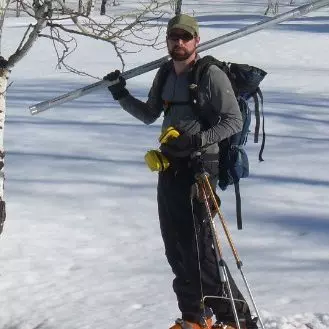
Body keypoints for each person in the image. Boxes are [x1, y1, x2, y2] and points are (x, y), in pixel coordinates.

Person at [104, 14, 258, 329]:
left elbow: (233, 121)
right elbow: (149, 114)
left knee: (199, 251)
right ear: (167, 40)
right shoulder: (164, 73)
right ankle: (194, 318)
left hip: (200, 169)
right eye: (174, 37)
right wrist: (121, 94)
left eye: (185, 37)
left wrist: (196, 139)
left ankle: (237, 321)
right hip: (170, 166)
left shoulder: (210, 74)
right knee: (176, 248)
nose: (179, 42)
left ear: (196, 40)